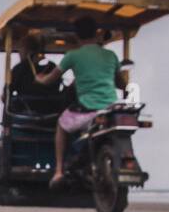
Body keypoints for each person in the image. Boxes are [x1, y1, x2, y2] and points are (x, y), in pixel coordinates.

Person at [32, 16, 126, 188]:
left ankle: (59, 171)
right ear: (96, 34)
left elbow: (50, 80)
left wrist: (39, 79)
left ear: (77, 36)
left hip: (88, 109)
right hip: (110, 108)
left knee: (61, 125)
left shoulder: (73, 55)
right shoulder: (111, 55)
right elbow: (121, 83)